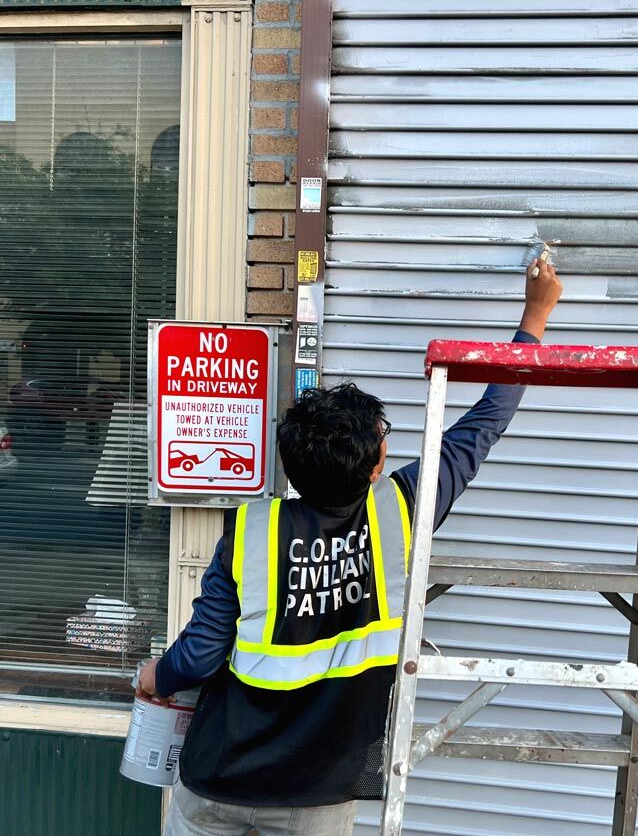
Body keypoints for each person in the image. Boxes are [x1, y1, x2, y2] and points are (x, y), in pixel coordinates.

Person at [138, 257, 563, 835]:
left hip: (217, 779)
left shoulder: (249, 530)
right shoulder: (403, 508)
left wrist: (154, 678)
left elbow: (199, 656)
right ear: (378, 465)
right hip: (320, 792)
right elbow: (486, 422)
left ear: (287, 465)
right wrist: (534, 316)